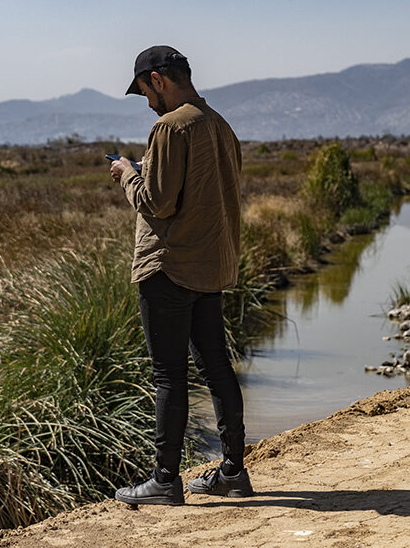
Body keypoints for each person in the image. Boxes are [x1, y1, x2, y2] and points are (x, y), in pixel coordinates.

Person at [110, 45, 253, 505]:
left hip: (168, 267)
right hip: (210, 267)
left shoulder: (170, 127)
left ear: (157, 80)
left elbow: (157, 202)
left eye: (145, 92)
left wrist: (129, 173)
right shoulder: (219, 124)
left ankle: (164, 481)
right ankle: (232, 470)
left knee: (168, 375)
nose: (148, 103)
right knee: (216, 366)